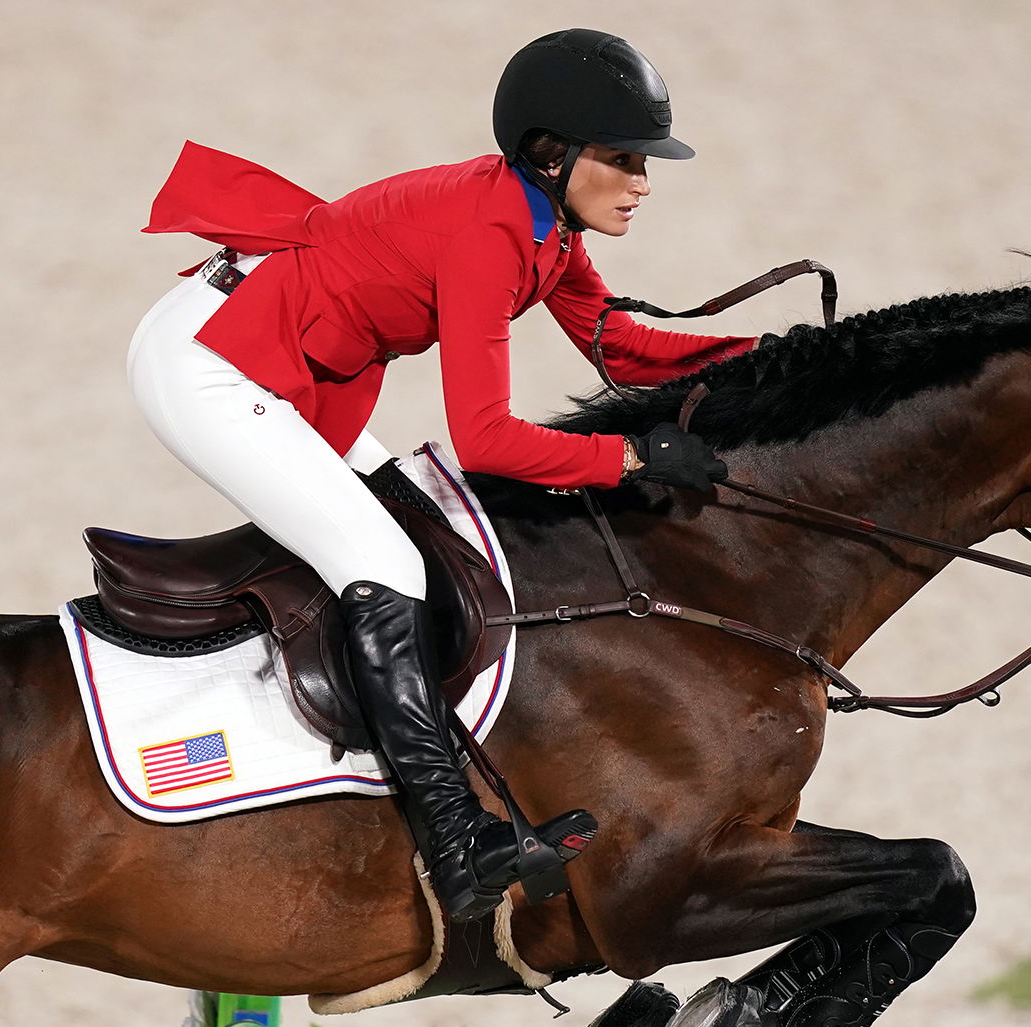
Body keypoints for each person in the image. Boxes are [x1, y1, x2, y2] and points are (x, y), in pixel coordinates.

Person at [129, 28, 753, 922]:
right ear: (552, 153)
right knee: (380, 564)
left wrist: (776, 355)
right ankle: (456, 848)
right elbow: (489, 440)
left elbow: (619, 346)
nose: (644, 182)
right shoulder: (489, 235)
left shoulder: (545, 226)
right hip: (217, 362)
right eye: (623, 159)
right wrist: (627, 456)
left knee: (432, 531)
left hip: (290, 353)